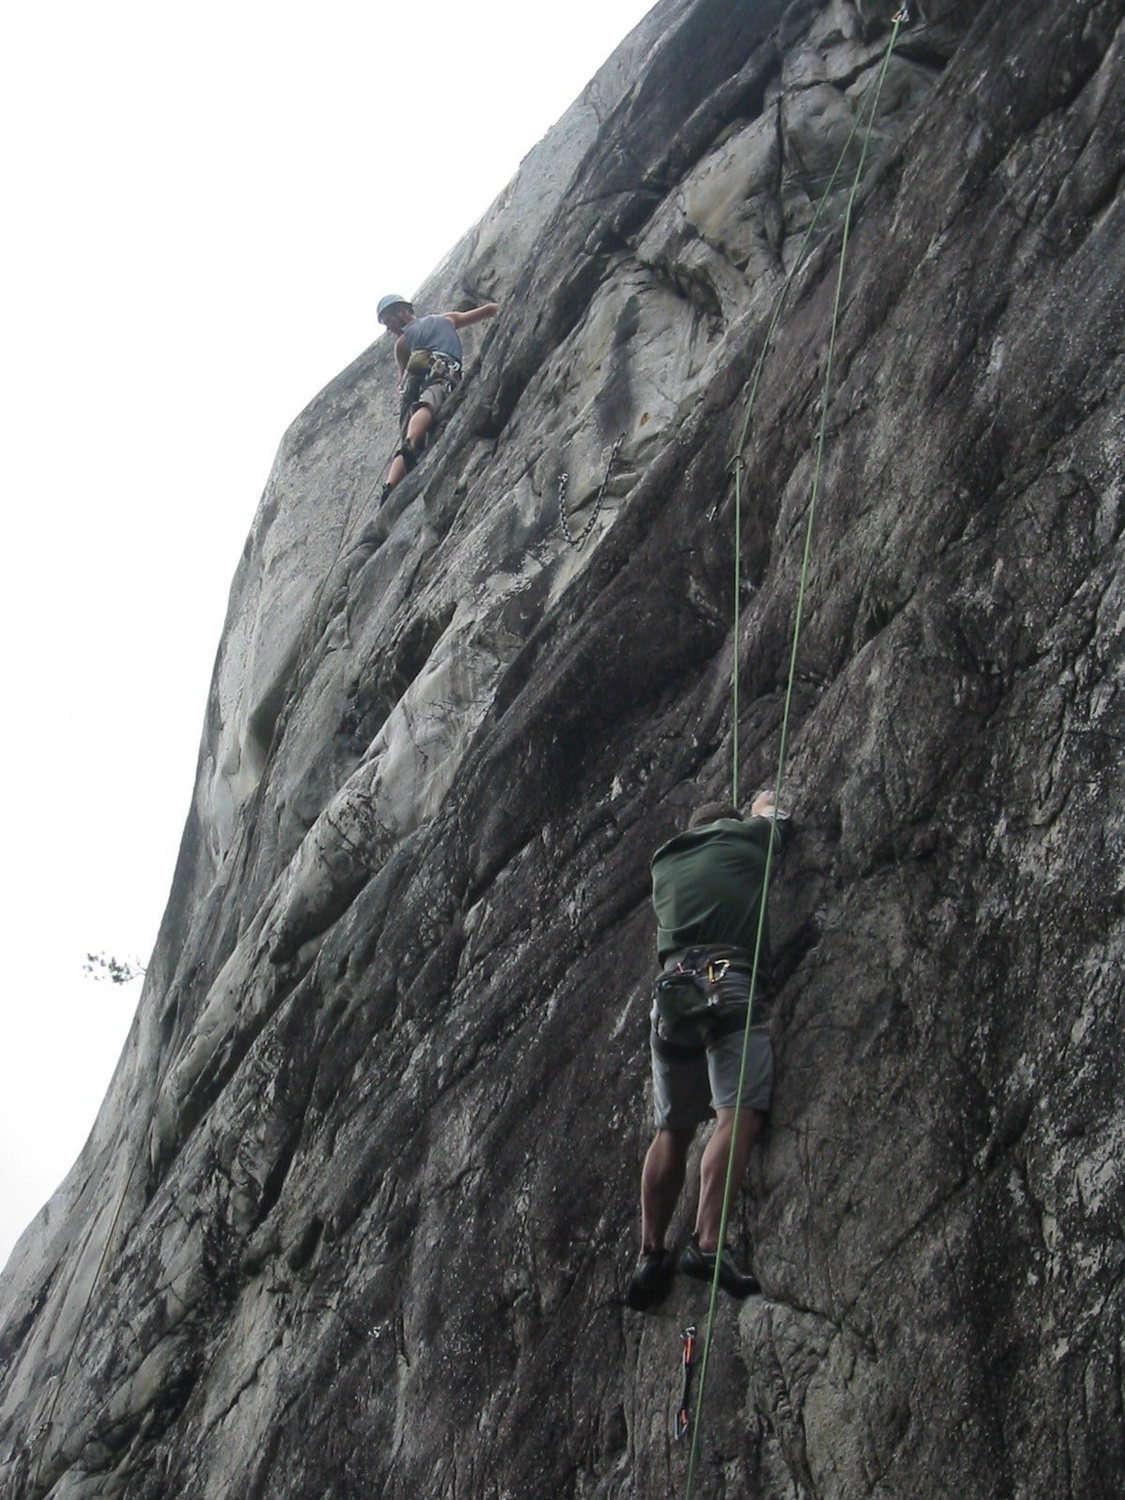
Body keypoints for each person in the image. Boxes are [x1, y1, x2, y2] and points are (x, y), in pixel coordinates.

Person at [624, 790, 791, 1311]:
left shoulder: (666, 865)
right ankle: (707, 1245)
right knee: (736, 1111)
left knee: (672, 1129)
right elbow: (778, 817)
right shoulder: (745, 840)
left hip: (674, 994)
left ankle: (651, 1254)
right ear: (728, 826)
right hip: (727, 982)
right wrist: (762, 805)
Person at [376, 295, 500, 497]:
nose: (389, 328)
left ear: (401, 312)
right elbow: (489, 310)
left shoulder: (402, 343)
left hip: (415, 379)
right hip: (440, 368)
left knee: (410, 428)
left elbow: (402, 380)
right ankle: (411, 444)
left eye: (389, 320)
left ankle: (389, 486)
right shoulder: (446, 319)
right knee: (429, 401)